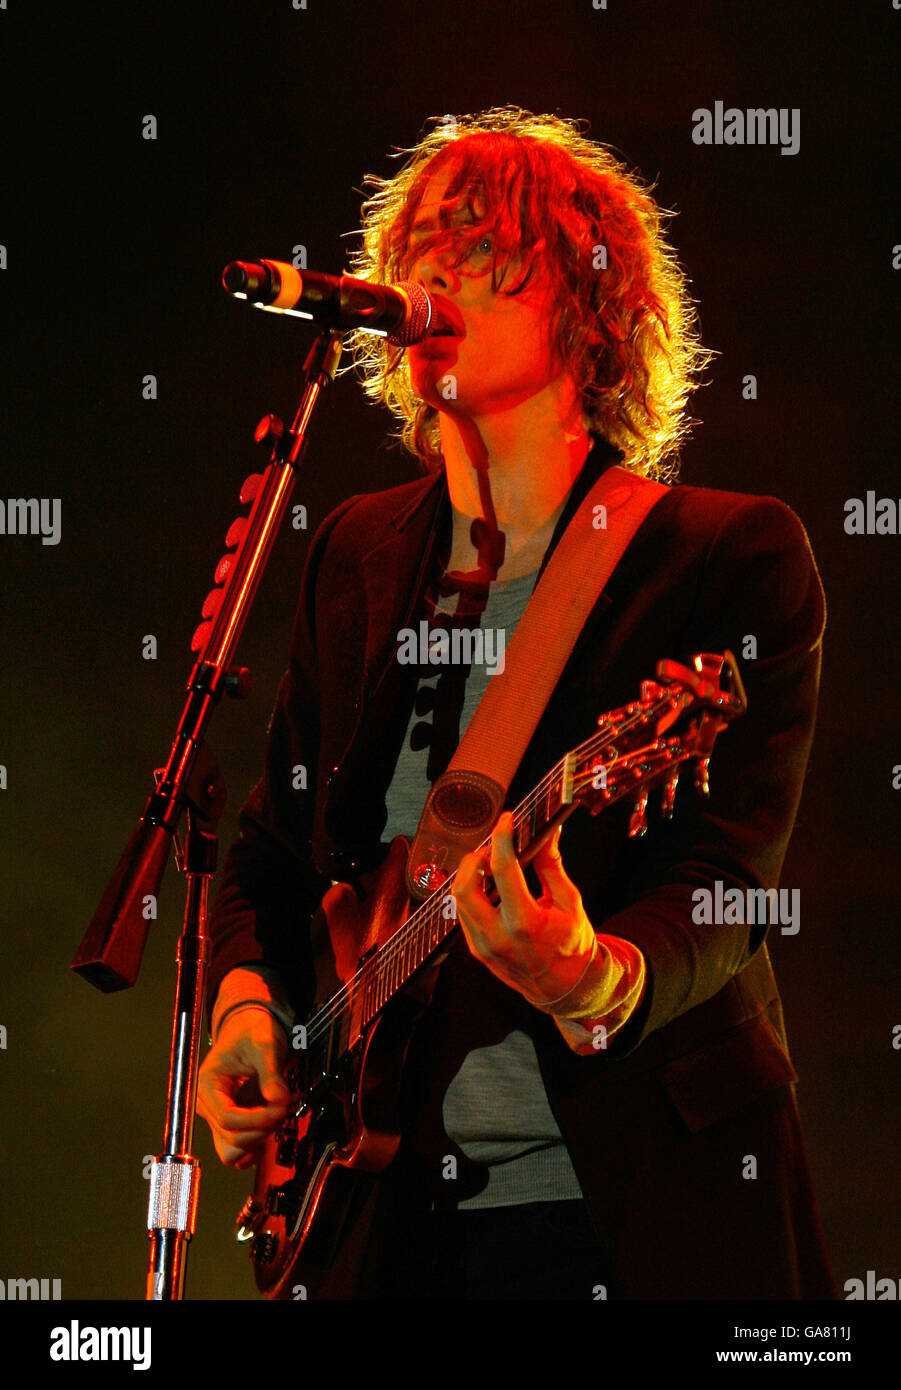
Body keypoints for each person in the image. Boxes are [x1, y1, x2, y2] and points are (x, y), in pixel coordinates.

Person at [197, 107, 835, 1300]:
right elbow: (274, 851)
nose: (437, 280)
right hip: (381, 1215)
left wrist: (591, 978)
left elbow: (731, 879)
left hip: (626, 1210)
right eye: (423, 256)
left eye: (487, 256)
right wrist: (246, 1001)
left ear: (592, 317)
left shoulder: (723, 555)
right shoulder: (356, 547)